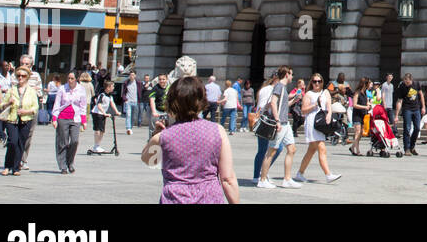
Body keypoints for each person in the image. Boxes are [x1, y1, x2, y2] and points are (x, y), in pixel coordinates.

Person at [140, 75, 239, 204]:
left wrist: (155, 135)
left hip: (175, 198)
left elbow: (149, 161)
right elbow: (227, 179)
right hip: (209, 198)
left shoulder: (163, 136)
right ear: (202, 100)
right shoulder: (217, 131)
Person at [257, 66, 302, 189]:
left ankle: (287, 179)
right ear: (287, 74)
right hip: (280, 123)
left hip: (285, 123)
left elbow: (282, 105)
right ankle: (262, 179)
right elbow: (273, 102)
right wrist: (277, 120)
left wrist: (294, 100)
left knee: (292, 149)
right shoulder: (279, 86)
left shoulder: (283, 88)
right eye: (291, 74)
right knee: (272, 151)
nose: (292, 77)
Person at [296, 73, 342, 184]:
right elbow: (303, 110)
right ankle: (328, 174)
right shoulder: (308, 94)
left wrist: (329, 115)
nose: (317, 83)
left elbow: (329, 106)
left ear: (322, 82)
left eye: (319, 81)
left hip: (322, 121)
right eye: (315, 81)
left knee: (311, 150)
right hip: (312, 122)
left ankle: (300, 173)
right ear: (311, 82)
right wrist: (314, 105)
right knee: (321, 148)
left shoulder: (325, 92)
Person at [0, 66, 39, 176]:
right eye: (18, 76)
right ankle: (7, 166)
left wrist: (26, 111)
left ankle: (16, 168)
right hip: (12, 119)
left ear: (27, 77)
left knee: (21, 144)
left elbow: (35, 107)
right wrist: (8, 103)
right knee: (12, 142)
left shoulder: (31, 91)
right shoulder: (12, 90)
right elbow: (2, 104)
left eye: (23, 76)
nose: (20, 78)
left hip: (26, 120)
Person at [51, 71, 88, 174]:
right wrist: (54, 118)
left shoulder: (81, 89)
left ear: (77, 79)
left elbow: (83, 106)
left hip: (75, 118)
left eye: (72, 78)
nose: (70, 80)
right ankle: (63, 166)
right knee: (63, 142)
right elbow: (57, 104)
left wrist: (84, 121)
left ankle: (70, 162)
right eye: (68, 78)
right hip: (63, 117)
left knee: (74, 141)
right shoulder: (62, 89)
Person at [14, 55, 42, 169]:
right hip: (16, 109)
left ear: (31, 65)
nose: (24, 66)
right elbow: (12, 89)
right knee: (15, 135)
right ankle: (15, 158)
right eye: (23, 64)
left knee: (28, 135)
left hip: (30, 109)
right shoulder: (15, 74)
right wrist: (31, 89)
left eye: (27, 64)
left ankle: (23, 159)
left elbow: (39, 92)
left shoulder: (35, 76)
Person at [87, 80, 122, 153]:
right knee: (97, 131)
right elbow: (98, 105)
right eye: (112, 86)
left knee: (102, 131)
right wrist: (104, 113)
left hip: (102, 114)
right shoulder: (102, 95)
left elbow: (112, 104)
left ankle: (98, 145)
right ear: (108, 88)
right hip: (97, 113)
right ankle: (95, 146)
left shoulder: (110, 96)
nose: (113, 88)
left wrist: (116, 112)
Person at [395, 72, 423, 155]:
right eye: (405, 82)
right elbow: (399, 101)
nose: (406, 84)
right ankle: (407, 148)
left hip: (416, 109)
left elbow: (421, 95)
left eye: (408, 82)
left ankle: (412, 146)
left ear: (411, 80)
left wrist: (423, 107)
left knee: (417, 128)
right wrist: (396, 115)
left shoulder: (416, 84)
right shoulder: (402, 87)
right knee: (407, 128)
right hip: (407, 109)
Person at [349, 78, 371, 156]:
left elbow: (366, 102)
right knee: (357, 132)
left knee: (361, 133)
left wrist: (368, 105)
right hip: (357, 115)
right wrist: (365, 107)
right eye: (369, 83)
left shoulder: (365, 93)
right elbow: (354, 105)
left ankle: (352, 147)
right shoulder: (357, 93)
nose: (370, 85)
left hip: (363, 115)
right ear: (365, 84)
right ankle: (357, 150)